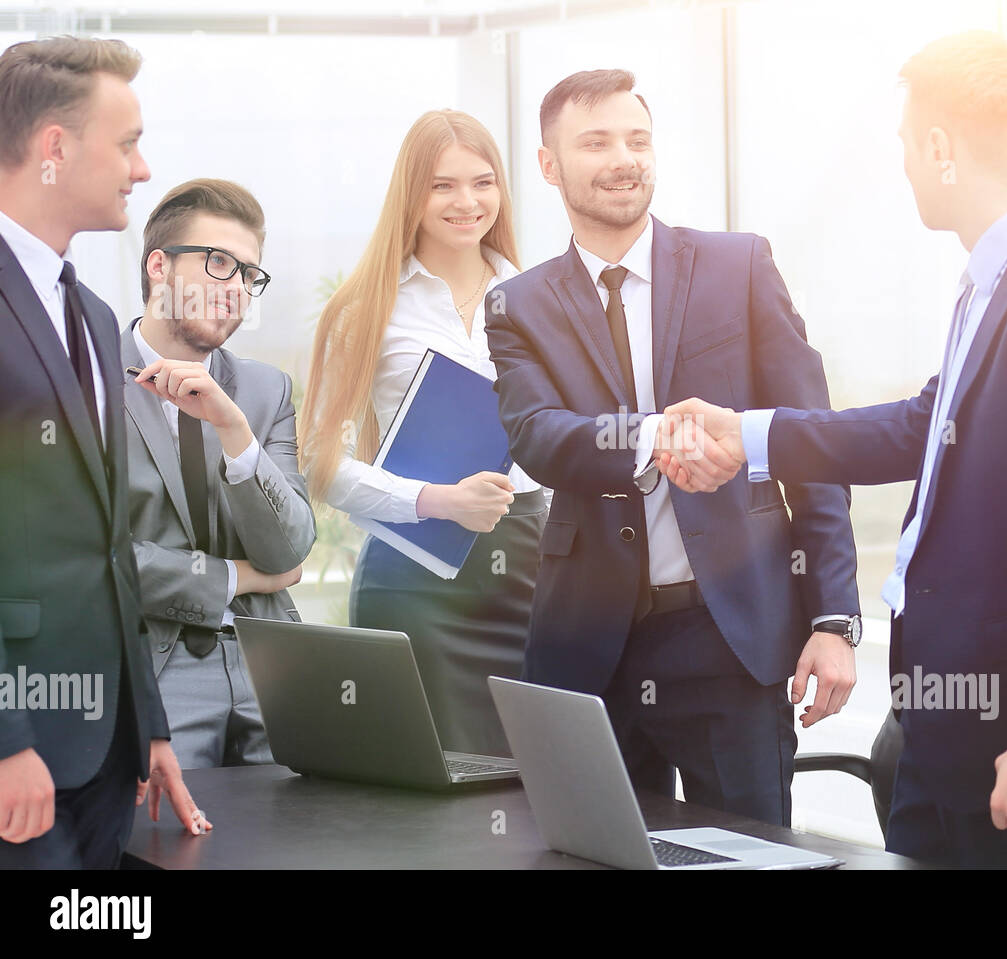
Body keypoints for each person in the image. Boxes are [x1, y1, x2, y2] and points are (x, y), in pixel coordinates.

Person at [660, 32, 1007, 864]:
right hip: (937, 736)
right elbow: (922, 428)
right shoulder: (994, 281)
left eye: (908, 149)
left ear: (940, 147)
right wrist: (747, 435)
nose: (908, 171)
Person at [484, 69, 861, 828]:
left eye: (638, 139)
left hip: (730, 638)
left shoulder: (739, 264)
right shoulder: (518, 303)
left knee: (750, 854)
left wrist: (834, 621)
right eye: (597, 142)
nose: (625, 157)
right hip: (588, 647)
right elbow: (538, 437)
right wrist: (655, 434)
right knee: (590, 851)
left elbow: (812, 445)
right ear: (549, 165)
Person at [0, 35, 210, 867]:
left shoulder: (90, 312)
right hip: (20, 761)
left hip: (106, 758)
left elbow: (105, 544)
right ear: (55, 146)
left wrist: (147, 723)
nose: (143, 168)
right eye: (127, 144)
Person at [300, 110, 544, 758]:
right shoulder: (366, 307)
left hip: (530, 567)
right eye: (443, 186)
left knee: (534, 788)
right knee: (431, 795)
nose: (467, 202)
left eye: (482, 182)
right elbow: (319, 465)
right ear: (411, 193)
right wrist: (435, 499)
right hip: (412, 576)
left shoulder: (543, 298)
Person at [125, 178, 316, 769]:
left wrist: (236, 432)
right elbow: (90, 555)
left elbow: (287, 550)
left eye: (248, 275)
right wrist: (233, 579)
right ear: (160, 266)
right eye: (217, 263)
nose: (234, 287)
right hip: (151, 665)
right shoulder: (83, 383)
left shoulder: (265, 390)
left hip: (271, 666)